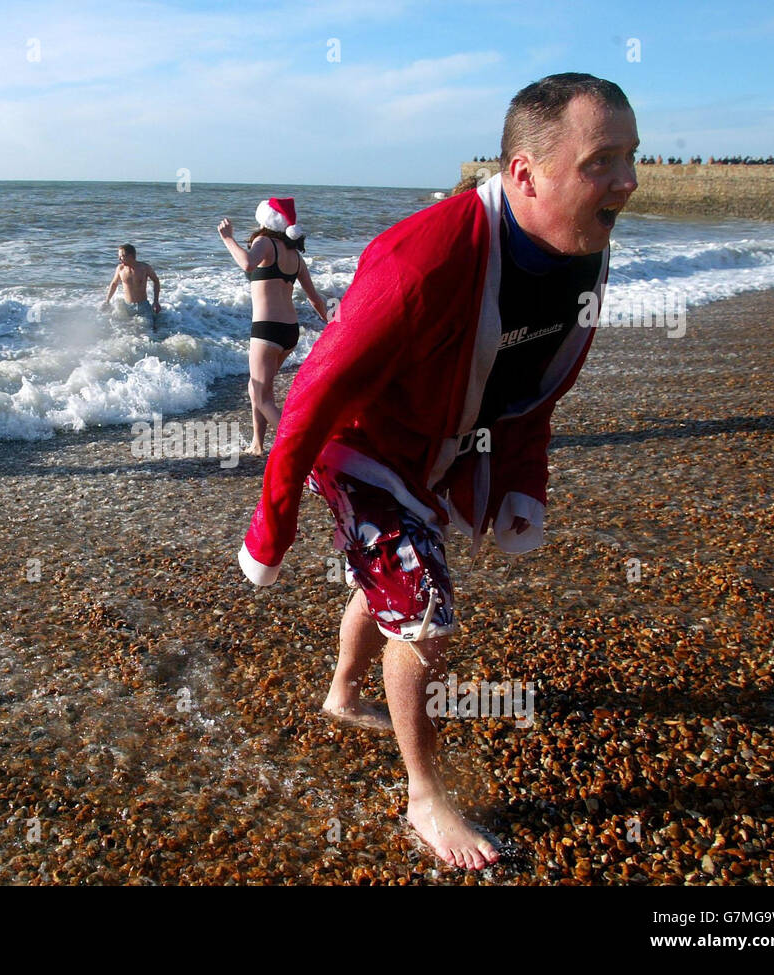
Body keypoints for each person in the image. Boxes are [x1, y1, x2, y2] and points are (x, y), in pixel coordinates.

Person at [235, 73, 639, 870]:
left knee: (382, 578)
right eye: (603, 162)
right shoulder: (422, 263)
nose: (627, 181)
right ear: (524, 174)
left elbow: (534, 383)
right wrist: (270, 528)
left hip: (436, 450)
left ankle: (343, 692)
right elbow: (313, 389)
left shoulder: (579, 251)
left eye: (632, 157)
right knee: (422, 608)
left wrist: (526, 478)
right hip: (355, 449)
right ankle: (424, 798)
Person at [218, 198, 328, 456]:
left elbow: (247, 263)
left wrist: (227, 238)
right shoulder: (295, 256)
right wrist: (338, 321)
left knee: (262, 396)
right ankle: (257, 443)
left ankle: (300, 451)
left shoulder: (264, 243)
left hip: (267, 331)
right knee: (256, 388)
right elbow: (315, 299)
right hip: (290, 333)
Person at [102, 244, 160, 328]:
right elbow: (114, 284)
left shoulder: (144, 268)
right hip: (127, 307)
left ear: (131, 256)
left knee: (149, 331)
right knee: (128, 332)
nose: (119, 259)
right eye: (119, 256)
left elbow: (156, 281)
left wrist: (156, 301)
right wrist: (107, 300)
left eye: (122, 256)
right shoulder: (120, 268)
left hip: (143, 306)